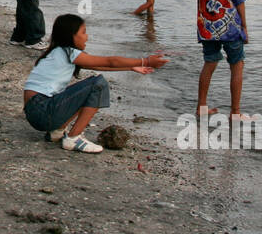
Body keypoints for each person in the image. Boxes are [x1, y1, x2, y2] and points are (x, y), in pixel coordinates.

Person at [23, 14, 168, 154]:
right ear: (71, 36)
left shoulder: (58, 52)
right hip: (42, 110)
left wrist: (131, 67)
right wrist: (146, 61)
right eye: (84, 32)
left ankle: (57, 132)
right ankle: (73, 138)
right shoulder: (69, 52)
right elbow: (109, 61)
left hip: (37, 111)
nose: (87, 37)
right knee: (98, 85)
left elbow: (98, 66)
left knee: (86, 88)